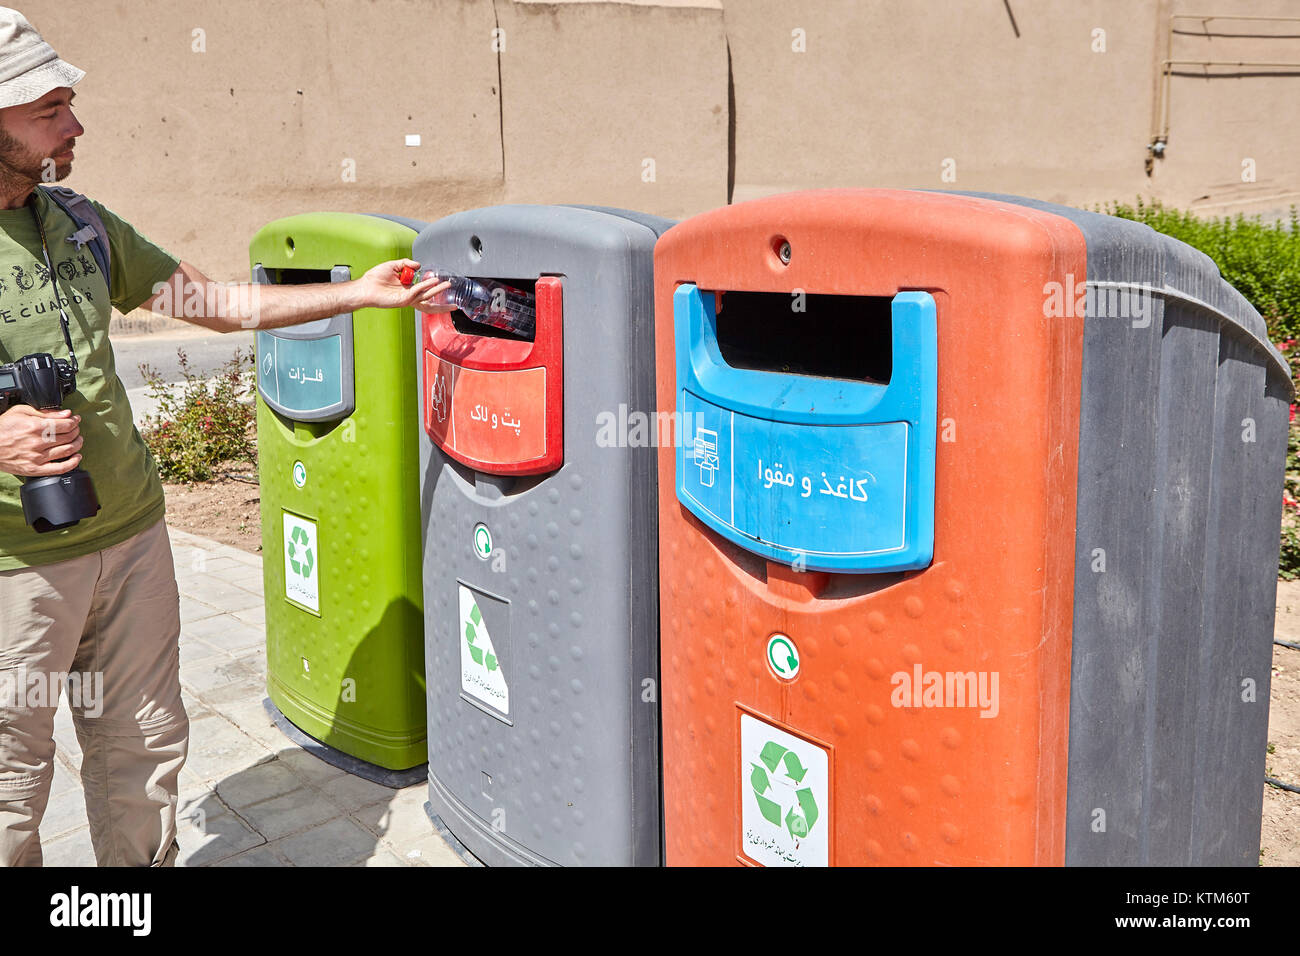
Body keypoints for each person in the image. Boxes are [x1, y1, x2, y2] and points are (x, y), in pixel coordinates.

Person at [0, 8, 445, 866]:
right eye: (48, 108)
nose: (75, 123)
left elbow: (216, 304)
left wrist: (360, 296)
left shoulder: (81, 220)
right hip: (16, 565)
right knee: (11, 782)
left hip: (129, 536)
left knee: (144, 748)